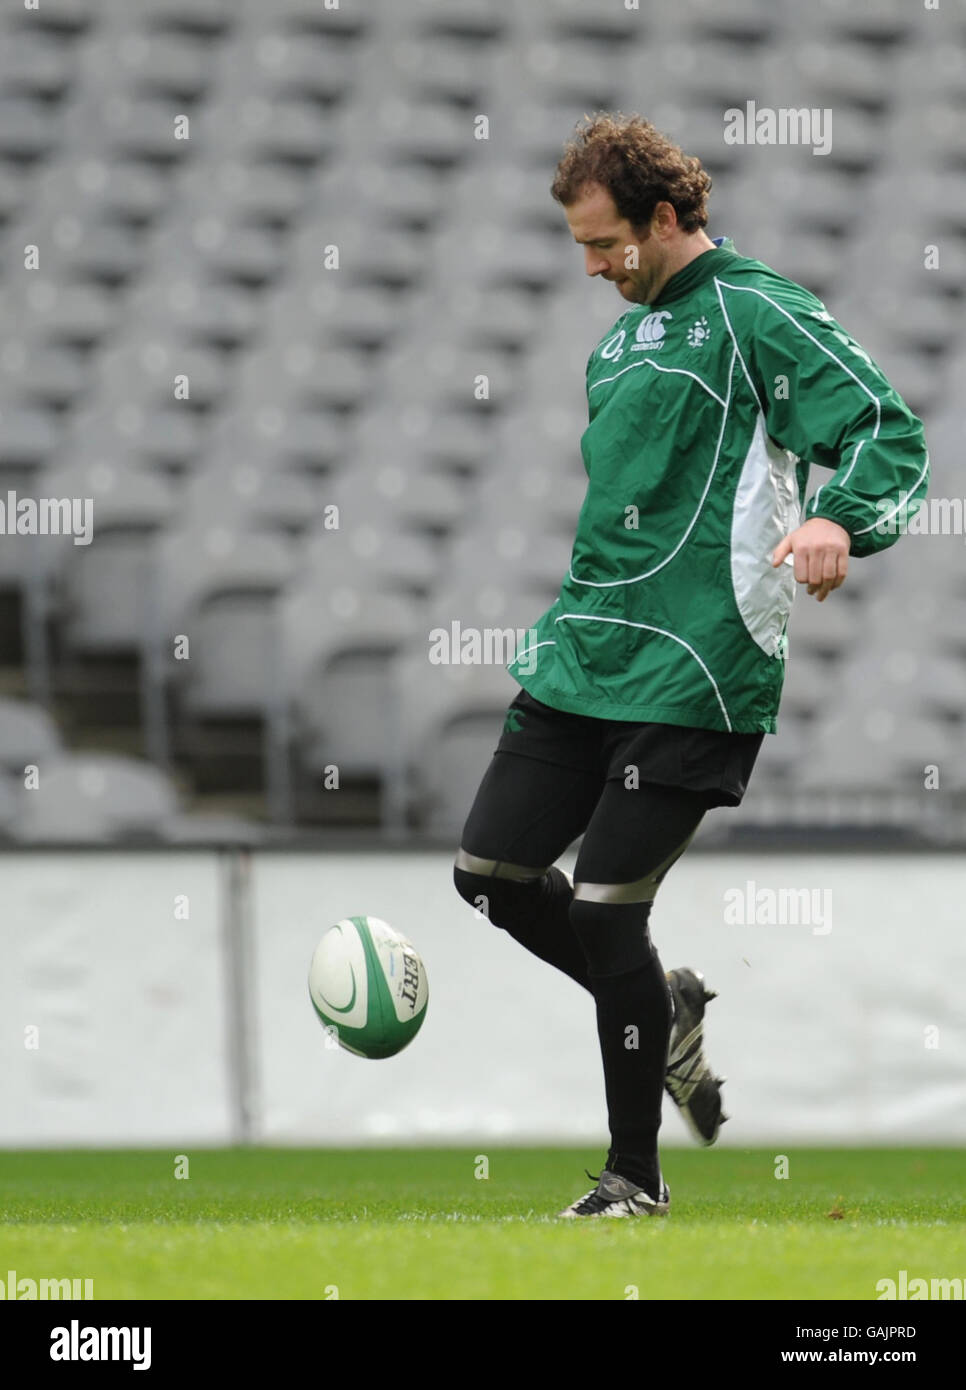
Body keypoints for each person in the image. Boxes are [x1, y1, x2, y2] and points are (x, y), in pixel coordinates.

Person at [453, 113, 929, 1219]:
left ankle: (634, 1178)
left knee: (610, 913)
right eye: (576, 245)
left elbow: (883, 429)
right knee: (490, 876)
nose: (590, 266)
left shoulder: (758, 309)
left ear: (666, 218)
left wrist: (839, 522)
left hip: (701, 668)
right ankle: (662, 1012)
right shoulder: (615, 345)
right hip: (587, 653)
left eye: (604, 242)